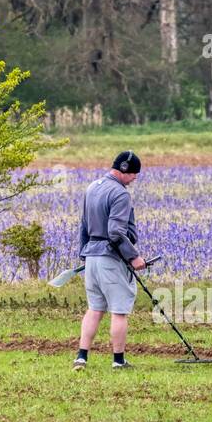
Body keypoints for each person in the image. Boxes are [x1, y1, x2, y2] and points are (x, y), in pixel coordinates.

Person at [72, 151, 146, 371]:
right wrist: (134, 257)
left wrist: (84, 255)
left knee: (94, 308)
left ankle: (81, 357)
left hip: (92, 256)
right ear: (124, 169)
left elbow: (84, 226)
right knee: (119, 310)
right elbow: (115, 232)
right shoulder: (120, 194)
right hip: (109, 257)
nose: (134, 178)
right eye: (133, 173)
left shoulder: (92, 187)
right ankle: (118, 360)